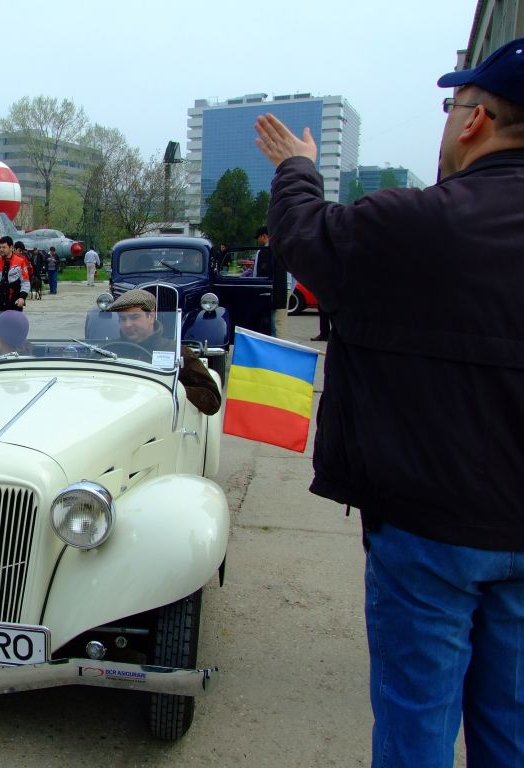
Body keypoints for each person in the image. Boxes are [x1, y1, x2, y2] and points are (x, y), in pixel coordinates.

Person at [254, 37, 524, 768]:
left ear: (474, 120)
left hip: (429, 526)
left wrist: (296, 169)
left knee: (417, 728)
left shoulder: (420, 221)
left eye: (452, 105)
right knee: (512, 730)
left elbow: (305, 237)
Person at [107, 289, 221, 416]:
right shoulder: (110, 351)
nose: (127, 324)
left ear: (151, 316)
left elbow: (213, 399)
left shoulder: (177, 351)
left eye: (134, 317)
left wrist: (173, 390)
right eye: (123, 319)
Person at [254, 226, 289, 338]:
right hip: (283, 289)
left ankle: (273, 346)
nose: (257, 241)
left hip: (268, 290)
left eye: (258, 238)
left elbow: (256, 274)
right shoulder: (283, 249)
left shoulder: (263, 252)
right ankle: (278, 346)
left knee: (272, 322)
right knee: (279, 322)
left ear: (264, 236)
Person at [0, 236, 29, 314]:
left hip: (15, 304)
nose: (1, 249)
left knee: (15, 326)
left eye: (4, 247)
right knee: (0, 326)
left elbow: (25, 282)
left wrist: (22, 297)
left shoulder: (20, 261)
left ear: (11, 247)